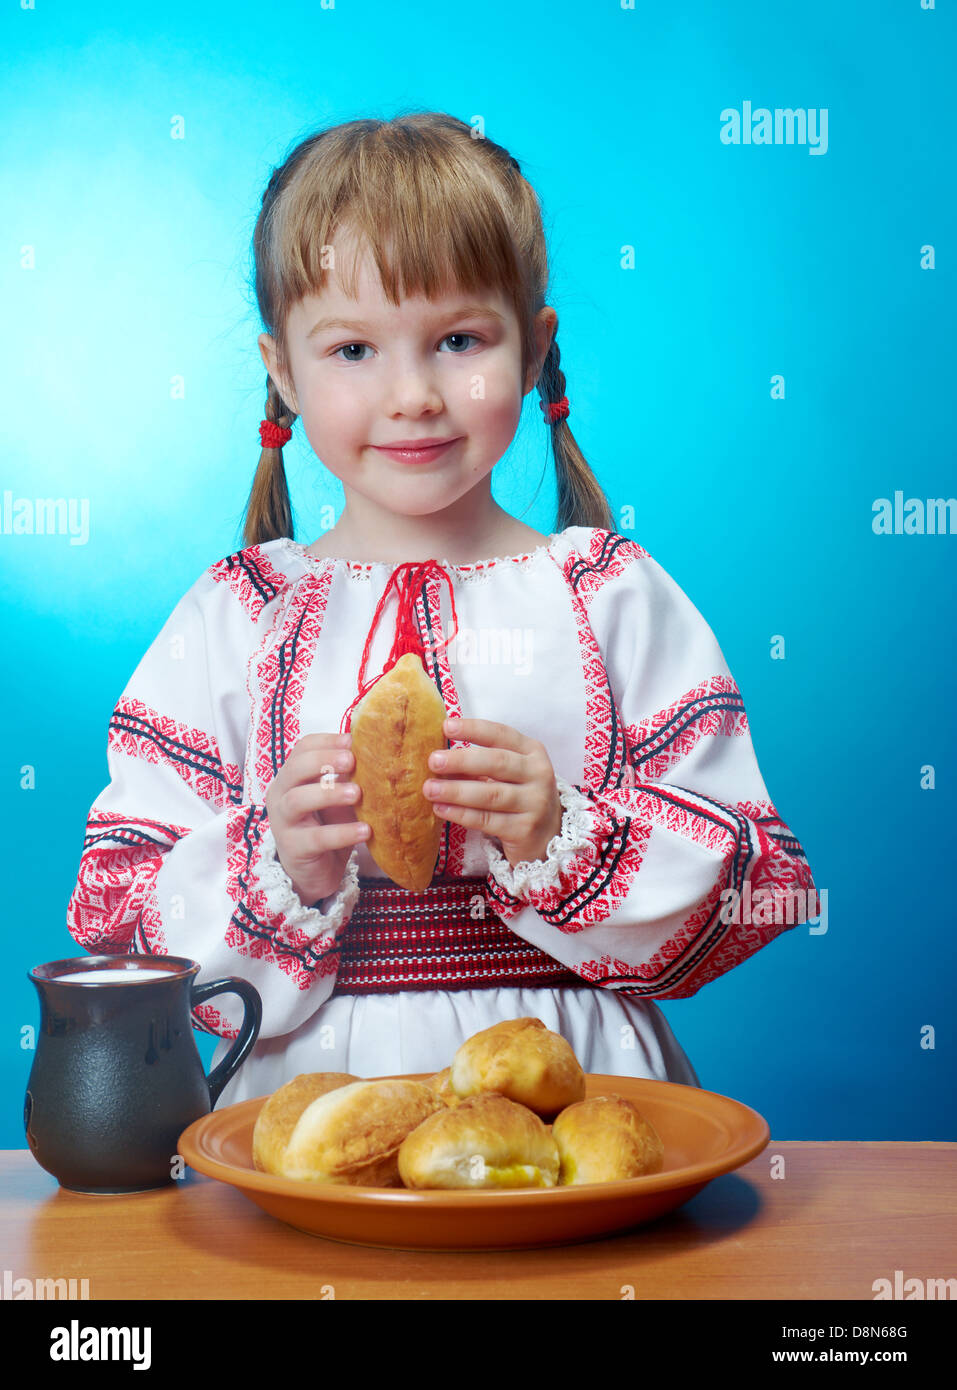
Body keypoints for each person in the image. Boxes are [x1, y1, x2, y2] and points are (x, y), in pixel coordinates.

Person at [66, 112, 816, 1105]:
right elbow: (119, 919)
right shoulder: (235, 616)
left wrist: (560, 832)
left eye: (459, 340)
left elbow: (760, 888)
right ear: (282, 371)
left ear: (534, 348)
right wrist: (276, 859)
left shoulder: (612, 596)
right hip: (310, 1106)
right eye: (352, 350)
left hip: (577, 1084)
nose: (413, 393)